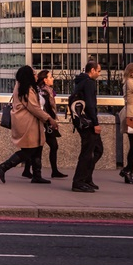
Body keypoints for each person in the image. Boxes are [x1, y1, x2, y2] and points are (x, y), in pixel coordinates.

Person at [0, 65, 59, 185]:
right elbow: (34, 108)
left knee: (38, 147)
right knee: (29, 150)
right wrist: (49, 119)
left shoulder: (23, 86)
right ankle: (3, 166)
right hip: (28, 123)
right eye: (34, 74)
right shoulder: (26, 89)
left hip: (31, 123)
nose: (36, 76)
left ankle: (37, 175)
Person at [22, 70, 66, 179]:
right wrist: (51, 120)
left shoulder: (46, 91)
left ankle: (30, 170)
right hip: (44, 123)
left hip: (46, 122)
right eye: (50, 77)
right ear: (45, 80)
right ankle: (37, 172)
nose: (53, 79)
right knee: (41, 147)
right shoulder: (43, 92)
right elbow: (45, 109)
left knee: (41, 147)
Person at [71, 61, 103, 193]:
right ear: (92, 70)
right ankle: (78, 182)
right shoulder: (89, 82)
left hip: (82, 121)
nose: (99, 74)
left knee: (98, 149)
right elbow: (90, 105)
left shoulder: (80, 81)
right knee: (87, 152)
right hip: (88, 123)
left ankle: (86, 178)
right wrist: (95, 123)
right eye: (98, 71)